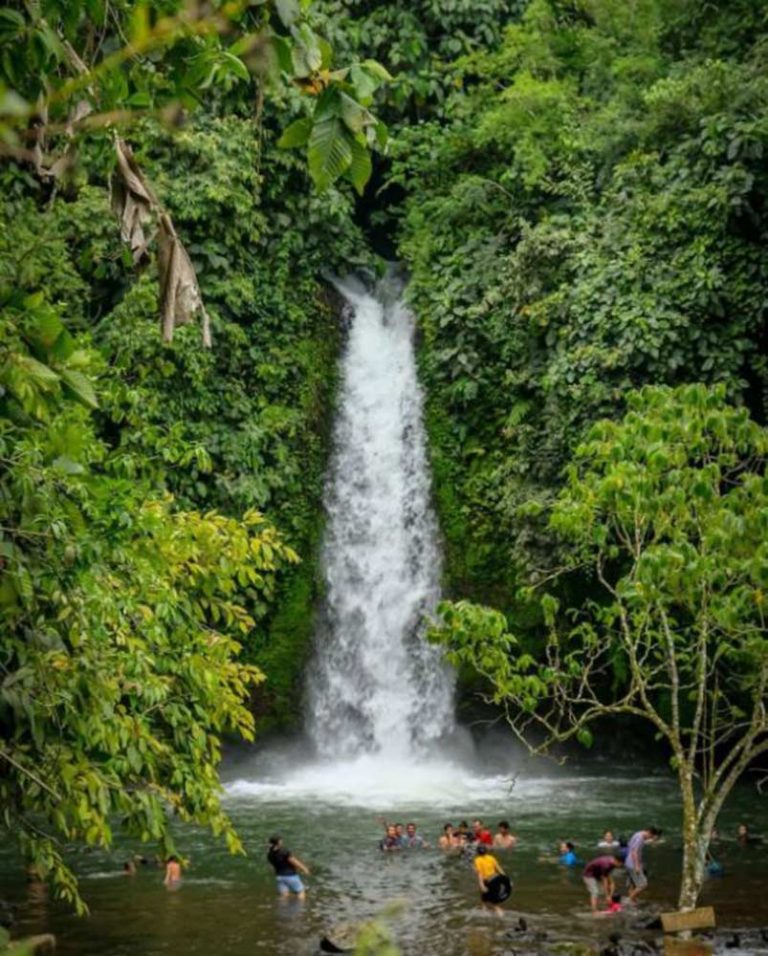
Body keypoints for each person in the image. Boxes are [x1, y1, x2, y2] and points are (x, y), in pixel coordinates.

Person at [625, 827, 661, 901]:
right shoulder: (640, 838)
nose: (649, 838)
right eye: (650, 836)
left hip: (628, 862)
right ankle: (630, 899)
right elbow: (634, 853)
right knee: (643, 884)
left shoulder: (637, 833)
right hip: (633, 864)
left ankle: (632, 901)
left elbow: (629, 845)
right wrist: (637, 866)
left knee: (633, 884)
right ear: (648, 832)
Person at [473, 845, 511, 912]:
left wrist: (481, 885)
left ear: (477, 852)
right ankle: (491, 915)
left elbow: (480, 874)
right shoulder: (491, 858)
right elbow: (499, 869)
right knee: (491, 901)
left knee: (486, 902)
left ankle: (499, 917)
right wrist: (507, 880)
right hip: (496, 879)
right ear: (486, 851)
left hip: (488, 881)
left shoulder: (477, 860)